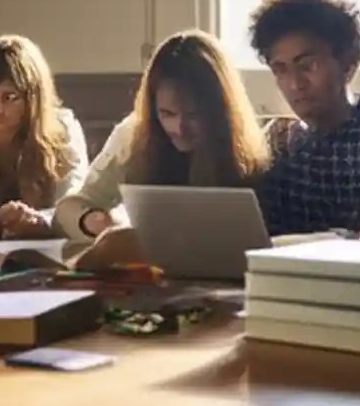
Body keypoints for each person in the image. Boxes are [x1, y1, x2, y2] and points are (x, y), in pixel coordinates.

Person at [53, 30, 271, 267]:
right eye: (167, 114)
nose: (180, 128)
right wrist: (94, 222)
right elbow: (68, 208)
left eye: (193, 115)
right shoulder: (134, 135)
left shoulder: (251, 148)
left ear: (220, 111)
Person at [251, 0, 360, 235]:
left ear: (348, 63)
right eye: (281, 70)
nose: (295, 84)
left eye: (308, 66)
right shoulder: (279, 145)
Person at [0, 35, 89, 239]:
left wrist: (37, 221)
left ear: (33, 100)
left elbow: (71, 207)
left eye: (10, 97)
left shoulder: (61, 135)